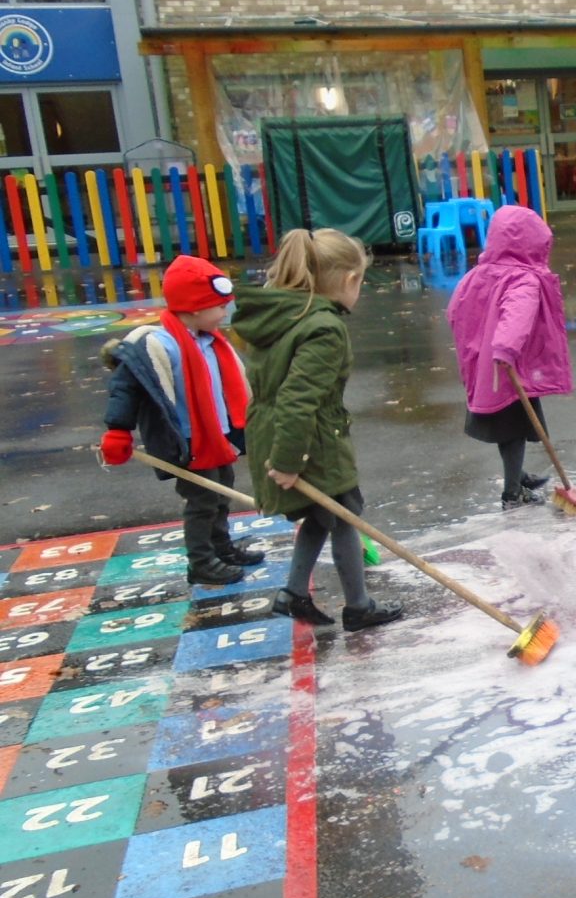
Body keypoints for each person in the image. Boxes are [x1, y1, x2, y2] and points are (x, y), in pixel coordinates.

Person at [233, 227, 402, 632]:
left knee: (321, 515)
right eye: (359, 281)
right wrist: (290, 459)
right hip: (310, 438)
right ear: (347, 280)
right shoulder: (323, 327)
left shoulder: (281, 312)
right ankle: (358, 607)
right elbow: (298, 398)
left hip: (277, 430)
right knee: (345, 515)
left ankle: (293, 593)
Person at [99, 256, 263, 586]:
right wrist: (118, 431)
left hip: (217, 437)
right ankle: (201, 562)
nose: (225, 313)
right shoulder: (162, 345)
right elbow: (126, 388)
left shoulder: (211, 341)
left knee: (221, 494)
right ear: (195, 308)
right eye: (219, 307)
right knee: (202, 501)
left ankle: (221, 548)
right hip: (188, 441)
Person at [445, 204, 573, 511]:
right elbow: (517, 316)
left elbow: (454, 311)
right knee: (515, 431)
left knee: (509, 430)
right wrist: (504, 348)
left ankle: (517, 475)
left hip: (488, 368)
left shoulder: (478, 274)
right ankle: (513, 493)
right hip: (509, 367)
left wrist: (480, 345)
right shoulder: (524, 280)